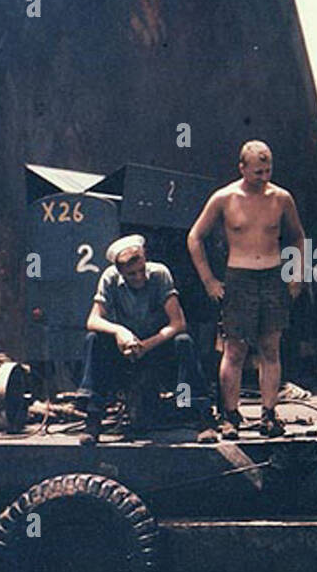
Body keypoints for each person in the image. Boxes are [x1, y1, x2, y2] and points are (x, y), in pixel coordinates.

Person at [187, 141, 305, 438]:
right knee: (235, 349)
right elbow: (195, 237)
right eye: (257, 172)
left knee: (270, 347)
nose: (263, 177)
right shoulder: (225, 198)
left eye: (267, 171)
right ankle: (230, 415)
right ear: (242, 168)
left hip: (272, 276)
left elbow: (298, 238)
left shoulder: (281, 198)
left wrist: (296, 275)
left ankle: (268, 413)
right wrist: (209, 281)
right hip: (239, 278)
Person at [79, 235, 212, 444]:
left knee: (183, 342)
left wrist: (147, 345)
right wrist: (119, 332)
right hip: (125, 350)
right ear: (120, 271)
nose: (139, 277)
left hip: (157, 347)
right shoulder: (109, 278)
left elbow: (178, 323)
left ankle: (200, 416)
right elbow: (93, 320)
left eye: (141, 270)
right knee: (94, 339)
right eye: (132, 274)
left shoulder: (160, 274)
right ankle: (93, 418)